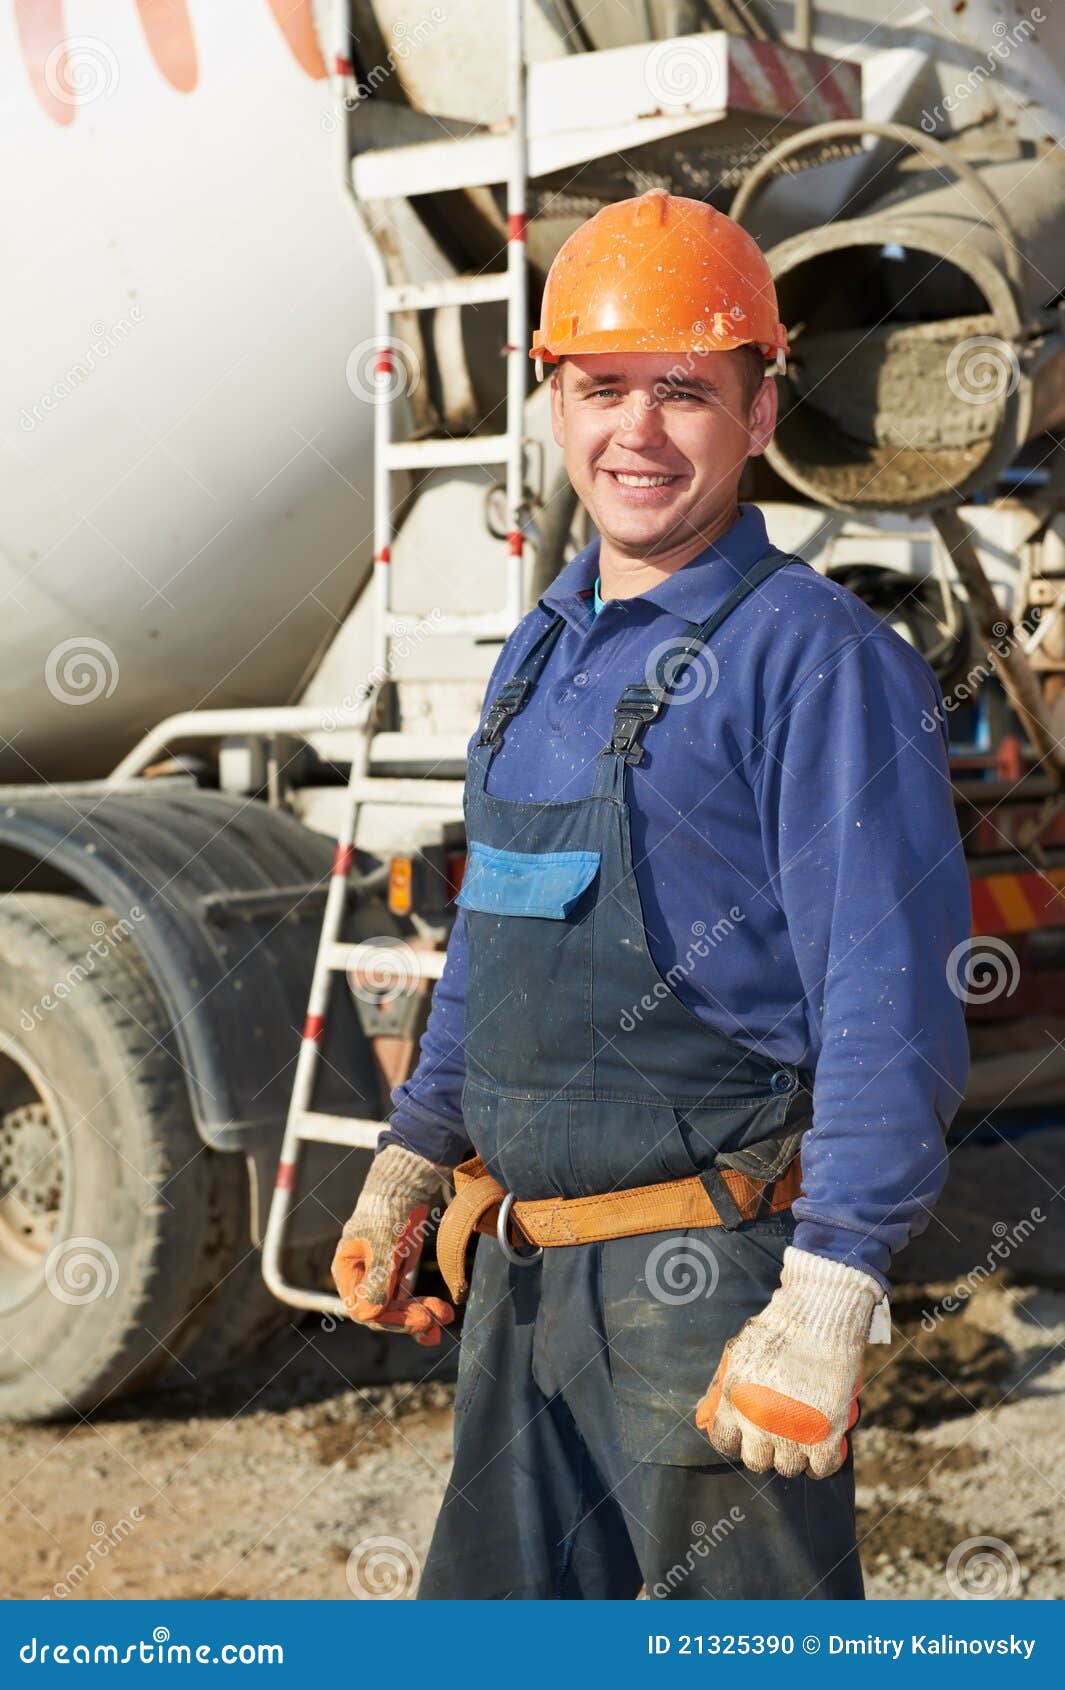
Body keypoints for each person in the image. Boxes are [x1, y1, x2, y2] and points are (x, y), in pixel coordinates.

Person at [331, 190, 971, 1600]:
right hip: (520, 1278)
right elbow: (494, 932)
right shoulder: (540, 649)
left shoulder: (815, 659)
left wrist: (832, 1286)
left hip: (709, 1297)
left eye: (684, 391)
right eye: (603, 387)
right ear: (554, 403)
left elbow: (888, 997)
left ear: (758, 413)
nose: (637, 430)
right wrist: (415, 1153)